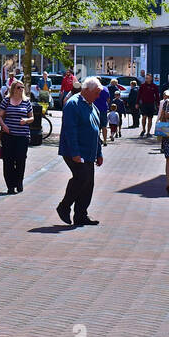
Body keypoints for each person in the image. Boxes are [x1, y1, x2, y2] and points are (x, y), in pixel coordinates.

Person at [57, 77, 104, 226]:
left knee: (88, 183)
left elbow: (96, 132)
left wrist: (99, 153)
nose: (98, 97)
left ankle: (81, 215)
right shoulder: (73, 104)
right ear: (85, 90)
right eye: (96, 93)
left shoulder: (92, 106)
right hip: (74, 151)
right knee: (82, 178)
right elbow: (70, 131)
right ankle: (64, 206)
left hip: (89, 152)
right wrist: (75, 153)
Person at [0, 80, 34, 195]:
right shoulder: (7, 101)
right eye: (19, 87)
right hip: (8, 135)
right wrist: (3, 126)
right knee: (8, 161)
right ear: (13, 89)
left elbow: (32, 118)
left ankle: (19, 182)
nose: (21, 89)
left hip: (22, 136)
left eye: (22, 87)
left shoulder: (26, 102)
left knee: (20, 160)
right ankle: (10, 186)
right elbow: (0, 115)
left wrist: (26, 120)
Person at [95, 79, 112, 144]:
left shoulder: (94, 89)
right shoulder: (105, 89)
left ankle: (97, 139)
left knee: (96, 125)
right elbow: (108, 99)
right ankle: (105, 140)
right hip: (103, 109)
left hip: (95, 109)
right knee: (104, 126)